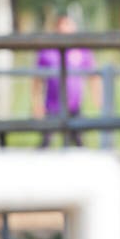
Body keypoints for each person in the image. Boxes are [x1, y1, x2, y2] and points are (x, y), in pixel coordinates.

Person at [32, 15, 101, 147]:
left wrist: (98, 98)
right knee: (46, 141)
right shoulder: (47, 51)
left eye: (67, 24)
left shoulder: (82, 50)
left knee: (79, 141)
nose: (64, 28)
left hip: (74, 106)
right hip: (52, 106)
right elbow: (37, 79)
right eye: (61, 25)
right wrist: (36, 104)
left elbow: (93, 75)